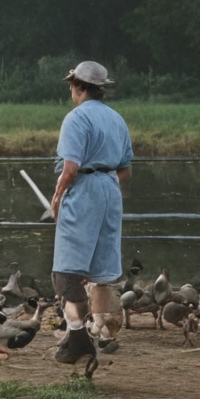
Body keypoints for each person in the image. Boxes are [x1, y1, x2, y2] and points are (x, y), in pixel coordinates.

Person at [47, 60, 132, 366]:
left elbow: (69, 169)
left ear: (79, 87)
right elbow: (125, 169)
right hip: (110, 190)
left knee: (67, 269)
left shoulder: (76, 118)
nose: (71, 91)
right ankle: (106, 331)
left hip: (83, 190)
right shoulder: (116, 119)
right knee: (103, 270)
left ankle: (77, 336)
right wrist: (104, 185)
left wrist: (57, 198)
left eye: (72, 86)